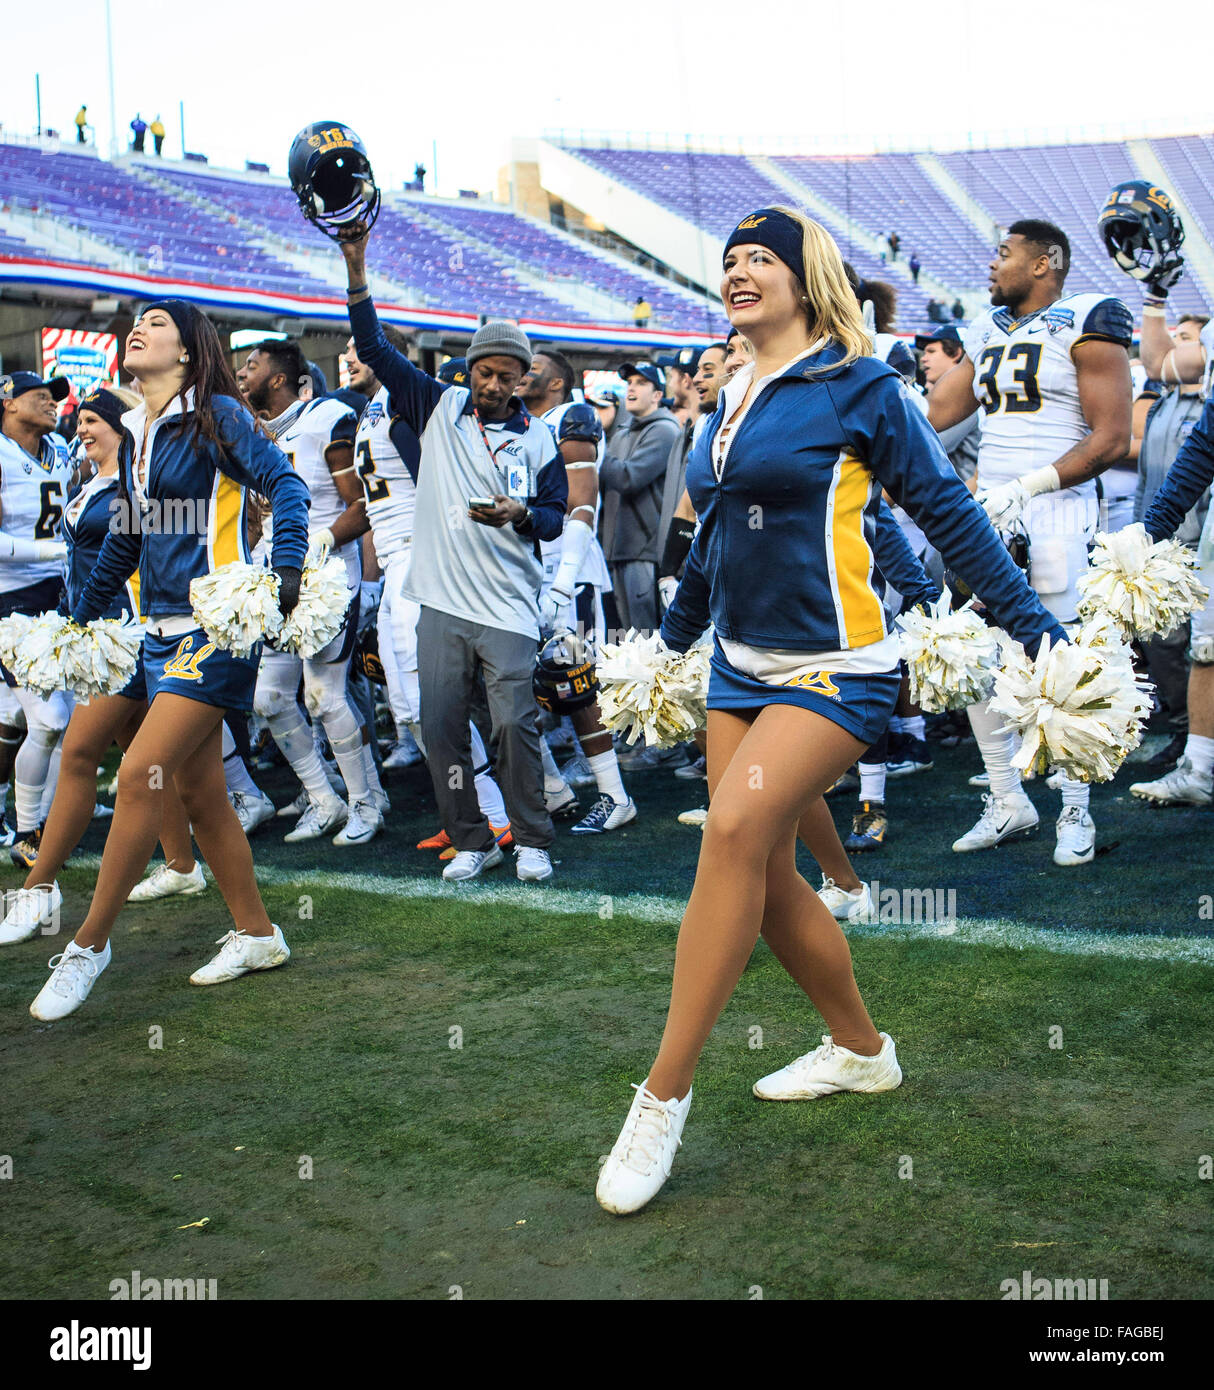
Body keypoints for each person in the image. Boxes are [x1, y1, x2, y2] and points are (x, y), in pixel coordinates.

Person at [594, 206, 1067, 1216]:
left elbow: (944, 511)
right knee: (761, 875)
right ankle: (860, 1049)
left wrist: (1036, 629)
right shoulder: (728, 395)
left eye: (758, 257)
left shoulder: (859, 386)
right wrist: (673, 646)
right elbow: (714, 538)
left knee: (728, 830)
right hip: (736, 664)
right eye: (727, 259)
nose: (735, 270)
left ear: (806, 279)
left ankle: (660, 1096)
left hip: (837, 668)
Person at [26, 298, 310, 1021]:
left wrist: (284, 574)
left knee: (137, 772)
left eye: (156, 323)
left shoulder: (217, 413)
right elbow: (128, 539)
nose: (139, 329)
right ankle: (257, 933)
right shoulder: (145, 433)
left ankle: (88, 944)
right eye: (137, 323)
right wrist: (78, 621)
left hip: (215, 629)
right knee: (200, 796)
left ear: (187, 348)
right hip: (153, 635)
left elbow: (286, 485)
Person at [340, 222, 567, 884]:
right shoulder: (436, 405)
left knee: (513, 724)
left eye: (512, 377)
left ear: (528, 378)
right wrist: (357, 264)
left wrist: (522, 512)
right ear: (471, 369)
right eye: (489, 373)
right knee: (439, 727)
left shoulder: (541, 442)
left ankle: (531, 837)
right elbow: (376, 348)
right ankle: (472, 837)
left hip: (506, 604)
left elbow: (554, 518)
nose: (499, 386)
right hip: (439, 600)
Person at [928, 220, 1132, 868]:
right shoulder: (986, 328)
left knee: (1058, 660)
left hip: (1059, 515)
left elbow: (1112, 437)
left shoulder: (1086, 319)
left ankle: (1076, 809)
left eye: (1004, 253)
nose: (992, 264)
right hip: (989, 518)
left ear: (1046, 262)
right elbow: (936, 415)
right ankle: (1006, 797)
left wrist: (1031, 485)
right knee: (976, 653)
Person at [0, 387, 206, 943]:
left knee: (78, 752)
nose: (82, 430)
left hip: (130, 635)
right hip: (101, 635)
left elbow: (138, 554)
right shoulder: (90, 481)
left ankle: (38, 889)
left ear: (124, 428)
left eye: (94, 421)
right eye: (80, 422)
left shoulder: (131, 487)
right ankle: (184, 866)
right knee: (159, 764)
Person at [340, 315, 513, 871]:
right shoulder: (367, 408)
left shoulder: (406, 402)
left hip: (423, 557)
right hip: (395, 563)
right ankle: (463, 812)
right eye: (344, 350)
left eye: (357, 349)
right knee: (408, 705)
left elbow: (441, 481)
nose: (348, 358)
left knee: (432, 701)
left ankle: (492, 817)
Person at [236, 338, 385, 846]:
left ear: (278, 379)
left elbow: (362, 504)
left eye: (251, 366)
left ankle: (366, 803)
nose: (241, 374)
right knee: (271, 697)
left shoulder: (326, 417)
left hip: (324, 578)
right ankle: (325, 797)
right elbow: (262, 519)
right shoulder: (259, 437)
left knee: (324, 695)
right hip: (279, 578)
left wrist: (324, 547)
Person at [518, 350, 636, 834]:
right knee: (519, 685)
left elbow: (581, 503)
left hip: (570, 574)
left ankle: (615, 795)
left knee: (578, 685)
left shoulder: (572, 416)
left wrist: (563, 582)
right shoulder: (518, 424)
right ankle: (554, 789)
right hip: (524, 571)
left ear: (561, 382)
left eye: (536, 365)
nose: (526, 369)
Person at [1125, 315, 1209, 779]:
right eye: (1174, 337)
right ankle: (1183, 730)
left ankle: (1197, 738)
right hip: (1162, 534)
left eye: (1187, 339)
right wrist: (1144, 525)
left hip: (1200, 538)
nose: (1177, 346)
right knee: (1161, 641)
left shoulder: (1204, 406)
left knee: (1199, 643)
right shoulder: (1163, 401)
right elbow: (1150, 475)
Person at [0, 371, 74, 870]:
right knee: (50, 720)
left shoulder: (61, 450)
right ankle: (29, 830)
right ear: (8, 403)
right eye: (39, 396)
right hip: (11, 600)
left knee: (12, 716)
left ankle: (34, 814)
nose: (51, 403)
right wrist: (53, 550)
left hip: (60, 595)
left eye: (54, 397)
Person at [598, 362, 681, 635]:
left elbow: (628, 478)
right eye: (629, 382)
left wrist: (593, 453)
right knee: (625, 641)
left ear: (658, 395)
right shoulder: (621, 433)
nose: (631, 387)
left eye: (641, 382)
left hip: (644, 552)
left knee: (646, 640)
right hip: (615, 550)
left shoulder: (665, 430)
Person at [914, 325, 979, 484]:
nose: (923, 358)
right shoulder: (932, 394)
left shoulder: (962, 398)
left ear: (956, 353)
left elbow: (924, 448)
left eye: (932, 351)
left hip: (960, 499)